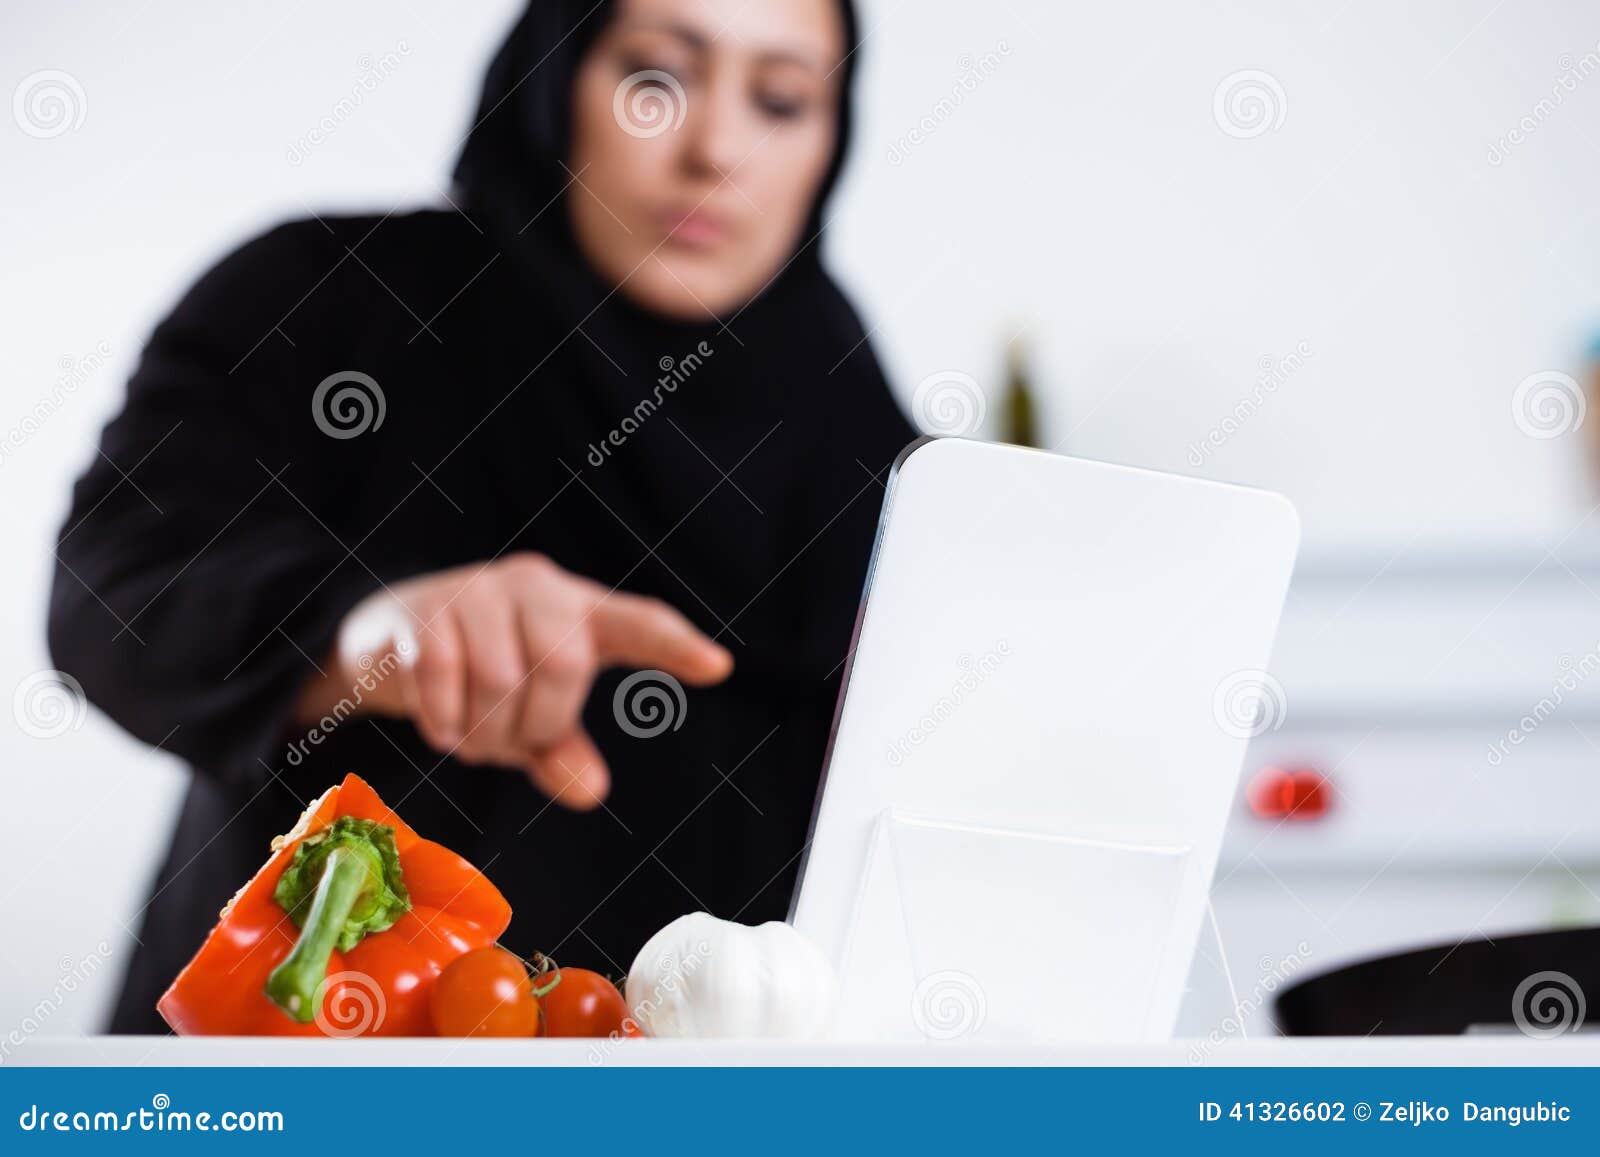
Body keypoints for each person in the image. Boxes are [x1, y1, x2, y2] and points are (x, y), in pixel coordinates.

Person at [49, 0, 912, 1034]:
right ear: (557, 74)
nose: (716, 151)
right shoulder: (331, 293)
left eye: (781, 100)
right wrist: (374, 633)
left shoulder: (844, 393)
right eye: (655, 80)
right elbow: (114, 591)